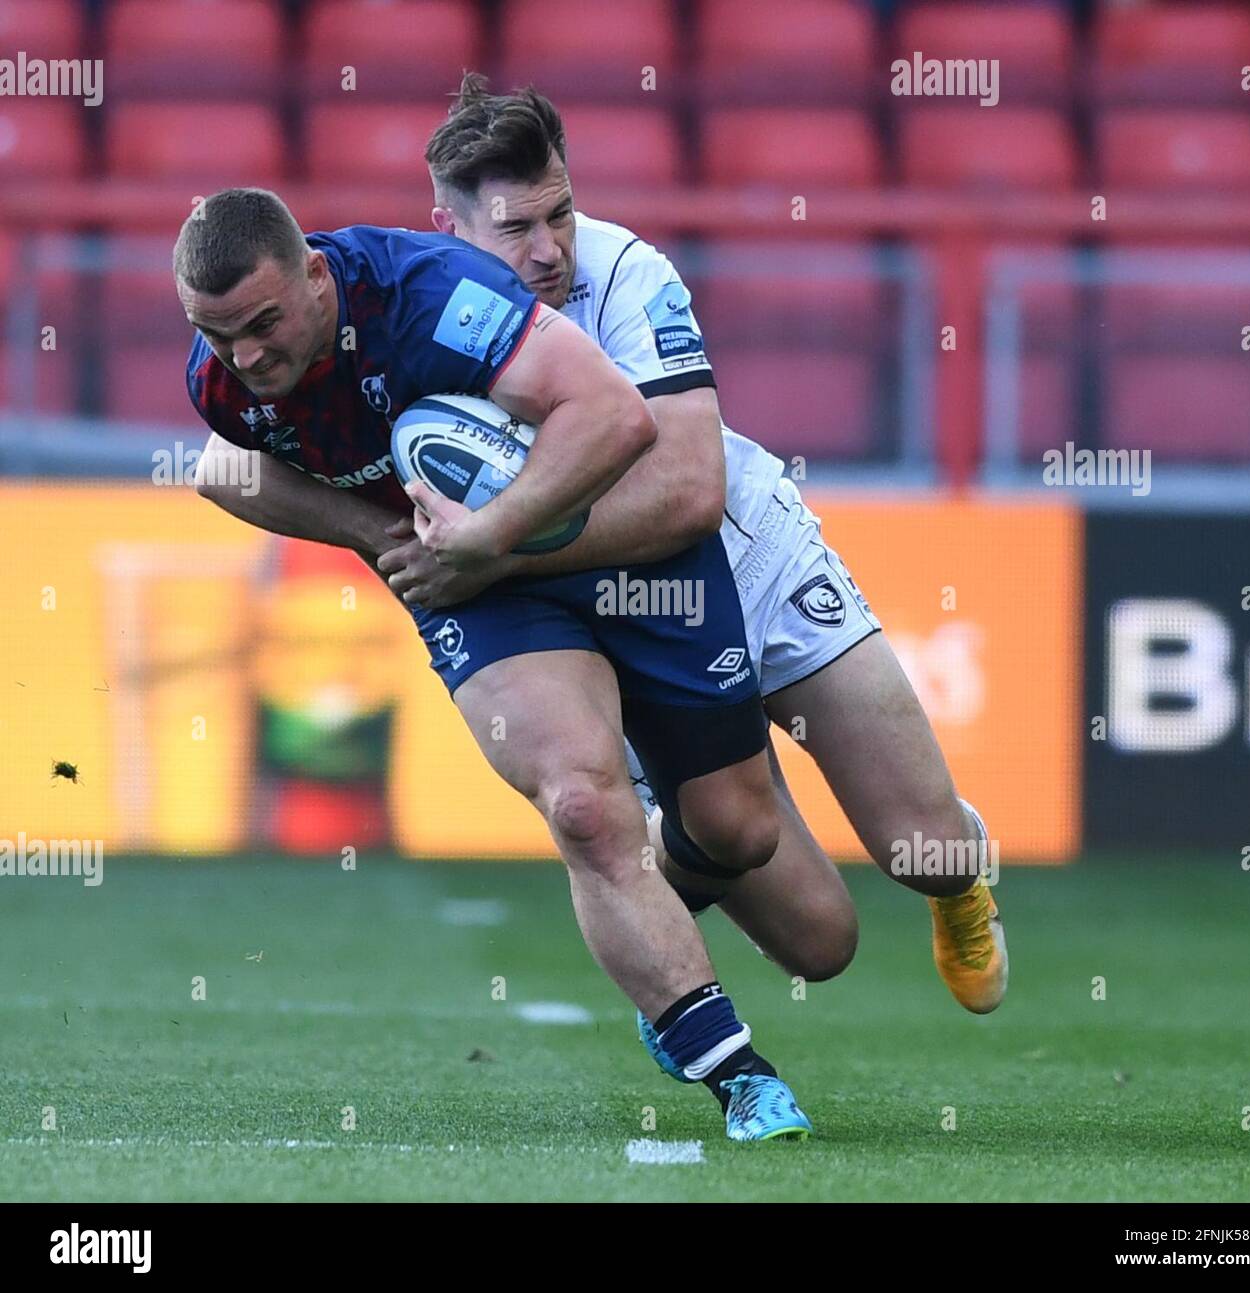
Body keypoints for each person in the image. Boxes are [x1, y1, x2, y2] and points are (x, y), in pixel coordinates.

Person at [389, 77, 1009, 1079]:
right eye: (515, 229)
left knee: (921, 847)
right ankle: (669, 946)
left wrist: (498, 546)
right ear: (446, 224)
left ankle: (961, 887)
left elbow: (687, 490)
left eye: (560, 213)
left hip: (744, 560)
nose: (549, 249)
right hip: (612, 613)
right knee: (822, 944)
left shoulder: (627, 272)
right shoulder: (415, 325)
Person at [178, 187, 812, 1140]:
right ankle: (738, 1071)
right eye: (220, 336)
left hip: (619, 539)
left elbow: (614, 418)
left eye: (263, 325)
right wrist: (385, 534)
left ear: (315, 275)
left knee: (741, 831)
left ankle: (655, 923)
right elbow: (222, 470)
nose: (247, 358)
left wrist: (494, 536)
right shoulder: (224, 378)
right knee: (584, 804)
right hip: (484, 584)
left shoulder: (431, 296)